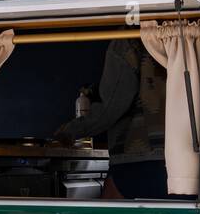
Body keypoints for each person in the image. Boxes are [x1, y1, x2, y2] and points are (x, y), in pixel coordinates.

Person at [56, 39, 181, 200]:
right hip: (186, 161)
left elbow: (111, 106)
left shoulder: (129, 39)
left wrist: (67, 132)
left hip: (138, 158)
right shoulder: (188, 33)